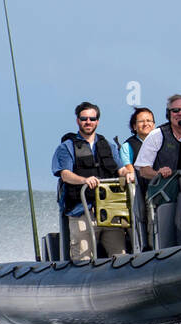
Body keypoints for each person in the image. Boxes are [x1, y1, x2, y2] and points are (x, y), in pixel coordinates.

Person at [52, 101, 135, 260]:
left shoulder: (108, 146)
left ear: (97, 120)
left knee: (120, 255)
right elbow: (65, 174)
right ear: (78, 120)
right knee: (83, 257)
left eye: (92, 118)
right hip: (82, 210)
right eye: (84, 118)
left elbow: (120, 169)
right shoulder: (67, 147)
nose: (88, 122)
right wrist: (85, 180)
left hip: (110, 211)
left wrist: (128, 174)